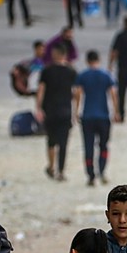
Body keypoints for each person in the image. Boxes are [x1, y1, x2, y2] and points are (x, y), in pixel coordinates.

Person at [76, 49, 121, 187]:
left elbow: (78, 93)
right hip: (103, 115)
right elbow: (113, 93)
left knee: (88, 146)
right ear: (98, 60)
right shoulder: (106, 75)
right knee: (103, 145)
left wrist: (76, 111)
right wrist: (116, 111)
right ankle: (101, 171)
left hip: (88, 115)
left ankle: (90, 175)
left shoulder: (83, 76)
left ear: (87, 61)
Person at [37, 44, 78, 181]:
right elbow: (77, 92)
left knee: (51, 141)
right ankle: (61, 171)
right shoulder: (71, 71)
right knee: (64, 143)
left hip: (50, 110)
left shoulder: (47, 71)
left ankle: (51, 166)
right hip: (66, 110)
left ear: (55, 54)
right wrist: (76, 110)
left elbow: (41, 90)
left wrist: (38, 108)